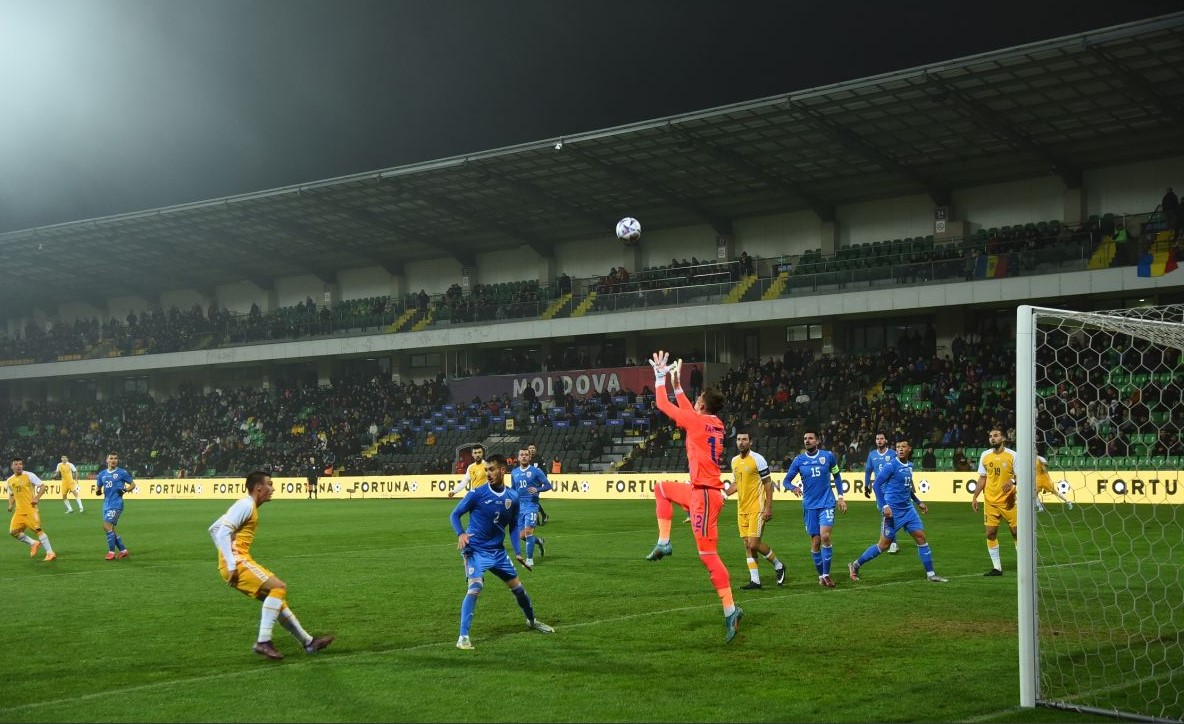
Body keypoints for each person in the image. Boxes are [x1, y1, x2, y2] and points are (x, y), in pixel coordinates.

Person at [643, 351, 743, 643]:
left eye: (697, 398)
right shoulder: (715, 423)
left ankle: (730, 610)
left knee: (708, 556)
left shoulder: (698, 422)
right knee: (661, 488)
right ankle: (664, 541)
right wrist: (677, 383)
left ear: (702, 404)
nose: (694, 401)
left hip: (706, 496)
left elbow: (664, 405)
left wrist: (661, 377)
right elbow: (688, 410)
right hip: (700, 490)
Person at [209, 470, 334, 660]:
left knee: (277, 600)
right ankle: (263, 641)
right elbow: (221, 532)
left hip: (239, 560)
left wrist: (226, 556)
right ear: (258, 488)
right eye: (269, 483)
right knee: (279, 587)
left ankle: (309, 642)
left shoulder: (247, 505)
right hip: (238, 562)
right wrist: (231, 562)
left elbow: (214, 529)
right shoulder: (246, 504)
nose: (272, 488)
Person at [449, 453, 555, 650]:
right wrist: (461, 534)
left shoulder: (512, 497)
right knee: (475, 587)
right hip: (476, 550)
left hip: (497, 552)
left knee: (519, 589)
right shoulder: (477, 494)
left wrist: (517, 552)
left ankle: (532, 622)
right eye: (486, 470)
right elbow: (454, 514)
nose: (488, 473)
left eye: (492, 469)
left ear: (502, 470)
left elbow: (514, 526)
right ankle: (463, 637)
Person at [848, 440, 948, 583]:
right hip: (893, 511)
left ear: (909, 449)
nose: (900, 449)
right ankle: (855, 565)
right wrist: (884, 506)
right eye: (898, 447)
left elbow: (907, 488)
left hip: (908, 509)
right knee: (883, 545)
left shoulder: (910, 466)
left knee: (920, 537)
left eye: (903, 447)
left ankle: (931, 574)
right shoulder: (891, 466)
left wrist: (918, 502)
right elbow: (876, 485)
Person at [781, 431, 848, 588]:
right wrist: (793, 487)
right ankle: (820, 575)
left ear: (817, 441)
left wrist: (840, 496)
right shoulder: (799, 460)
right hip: (810, 506)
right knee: (816, 542)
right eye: (805, 438)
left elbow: (837, 476)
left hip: (827, 502)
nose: (807, 441)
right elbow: (785, 481)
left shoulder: (828, 457)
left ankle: (826, 574)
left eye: (810, 438)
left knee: (825, 536)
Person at [722, 430, 786, 589]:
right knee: (747, 544)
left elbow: (768, 484)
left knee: (754, 543)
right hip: (741, 508)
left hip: (757, 508)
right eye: (738, 439)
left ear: (750, 442)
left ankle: (779, 566)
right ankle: (755, 580)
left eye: (744, 439)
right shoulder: (734, 461)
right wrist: (724, 494)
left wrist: (768, 507)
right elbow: (736, 483)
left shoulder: (758, 459)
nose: (741, 442)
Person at [971, 429, 1018, 576]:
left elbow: (1020, 475)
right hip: (991, 501)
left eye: (996, 435)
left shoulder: (1013, 455)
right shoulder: (985, 455)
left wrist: (1012, 481)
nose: (992, 438)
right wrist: (975, 497)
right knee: (990, 533)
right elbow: (982, 478)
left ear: (1003, 438)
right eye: (990, 436)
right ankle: (997, 568)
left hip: (1009, 501)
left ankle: (1024, 564)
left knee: (1016, 532)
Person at [6, 456, 56, 561]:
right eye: (16, 464)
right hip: (19, 511)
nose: (18, 466)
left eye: (20, 464)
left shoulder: (29, 475)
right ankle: (33, 543)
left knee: (38, 530)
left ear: (22, 465)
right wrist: (10, 505)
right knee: (13, 532)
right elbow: (11, 494)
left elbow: (42, 486)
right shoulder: (9, 480)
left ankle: (50, 553)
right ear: (12, 467)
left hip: (30, 509)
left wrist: (37, 498)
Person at [510, 447, 552, 569]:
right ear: (518, 458)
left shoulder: (536, 471)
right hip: (519, 507)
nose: (524, 456)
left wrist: (537, 489)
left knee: (528, 532)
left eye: (526, 455)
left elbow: (548, 485)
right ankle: (539, 541)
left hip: (531, 505)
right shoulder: (514, 472)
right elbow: (513, 489)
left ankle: (529, 559)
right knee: (521, 536)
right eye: (521, 454)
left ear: (529, 457)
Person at [95, 452, 136, 560]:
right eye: (111, 458)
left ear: (117, 461)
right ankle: (123, 550)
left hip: (116, 504)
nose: (113, 460)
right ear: (107, 460)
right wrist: (98, 492)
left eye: (115, 458)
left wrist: (125, 490)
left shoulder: (122, 472)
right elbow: (98, 487)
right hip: (106, 504)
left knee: (106, 526)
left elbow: (133, 484)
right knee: (111, 529)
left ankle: (111, 552)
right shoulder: (102, 474)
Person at [864, 433, 900, 554]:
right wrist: (866, 485)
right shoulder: (872, 455)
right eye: (877, 439)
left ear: (886, 440)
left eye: (881, 439)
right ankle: (890, 540)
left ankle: (893, 543)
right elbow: (868, 471)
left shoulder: (893, 454)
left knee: (889, 515)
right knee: (885, 514)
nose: (879, 441)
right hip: (879, 490)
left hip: (891, 489)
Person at [1035, 445, 1074, 512]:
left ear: (1037, 451)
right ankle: (1040, 508)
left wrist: (1043, 465)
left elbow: (1046, 465)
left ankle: (1068, 502)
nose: (1033, 451)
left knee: (1054, 492)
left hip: (1044, 478)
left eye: (1035, 450)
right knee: (1034, 494)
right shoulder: (1029, 460)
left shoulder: (1040, 458)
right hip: (1037, 478)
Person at [526, 443, 550, 525]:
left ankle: (537, 517)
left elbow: (544, 471)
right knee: (532, 499)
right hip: (528, 483)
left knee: (533, 498)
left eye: (533, 448)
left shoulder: (539, 458)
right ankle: (542, 515)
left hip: (537, 483)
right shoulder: (526, 459)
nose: (532, 449)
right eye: (530, 448)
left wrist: (543, 481)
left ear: (536, 450)